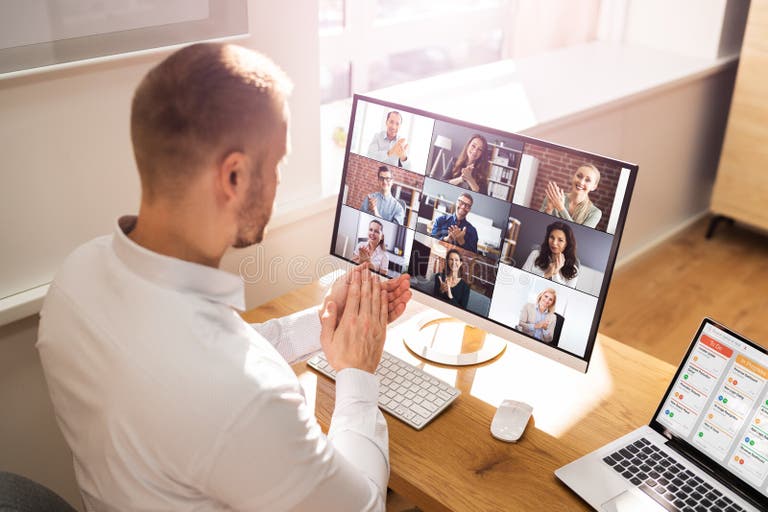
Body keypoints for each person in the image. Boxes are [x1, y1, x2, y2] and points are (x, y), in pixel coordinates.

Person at [36, 42, 413, 511]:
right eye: (278, 162)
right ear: (233, 176)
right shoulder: (242, 401)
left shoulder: (75, 279)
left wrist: (324, 321)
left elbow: (212, 355)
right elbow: (365, 506)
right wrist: (357, 372)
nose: (278, 181)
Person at [539, 164, 602, 228]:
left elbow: (578, 234)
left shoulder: (595, 213)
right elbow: (539, 223)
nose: (581, 182)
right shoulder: (554, 197)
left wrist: (561, 208)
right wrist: (548, 210)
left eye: (588, 180)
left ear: (594, 187)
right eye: (579, 176)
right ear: (573, 176)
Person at [522, 221, 579, 288]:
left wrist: (555, 273)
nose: (554, 243)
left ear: (567, 244)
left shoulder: (573, 271)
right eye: (552, 237)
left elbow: (565, 295)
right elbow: (522, 280)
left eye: (560, 240)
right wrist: (547, 274)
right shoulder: (535, 255)